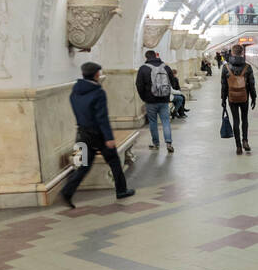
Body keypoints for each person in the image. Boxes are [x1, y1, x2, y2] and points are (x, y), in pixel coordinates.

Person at [61, 62, 135, 208]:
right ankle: (121, 190)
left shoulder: (75, 91)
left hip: (82, 132)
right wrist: (108, 137)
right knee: (114, 161)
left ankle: (67, 191)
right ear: (96, 74)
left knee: (84, 165)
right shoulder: (97, 92)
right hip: (98, 134)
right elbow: (102, 117)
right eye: (99, 73)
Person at [136, 48, 180, 152]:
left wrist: (144, 97)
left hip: (150, 101)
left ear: (146, 57)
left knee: (153, 122)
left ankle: (156, 144)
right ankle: (169, 143)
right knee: (165, 121)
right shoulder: (166, 67)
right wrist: (167, 93)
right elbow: (173, 82)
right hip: (164, 99)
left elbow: (139, 85)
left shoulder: (143, 68)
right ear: (156, 56)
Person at [221, 43, 256, 154]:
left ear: (232, 53)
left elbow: (224, 85)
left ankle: (238, 147)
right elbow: (251, 84)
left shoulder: (225, 67)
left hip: (232, 98)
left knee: (236, 120)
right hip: (244, 97)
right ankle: (245, 140)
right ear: (242, 53)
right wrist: (253, 97)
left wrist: (223, 99)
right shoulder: (247, 67)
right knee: (244, 119)